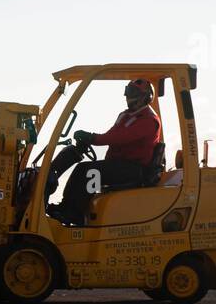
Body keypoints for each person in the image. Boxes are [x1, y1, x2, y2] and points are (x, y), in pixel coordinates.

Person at [47, 79, 161, 226]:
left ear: (145, 96)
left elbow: (119, 138)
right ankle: (66, 207)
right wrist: (90, 140)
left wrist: (92, 137)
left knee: (90, 173)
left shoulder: (148, 120)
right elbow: (111, 135)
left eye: (133, 93)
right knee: (82, 168)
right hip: (120, 165)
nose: (128, 96)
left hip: (134, 169)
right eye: (128, 92)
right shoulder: (126, 115)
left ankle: (75, 213)